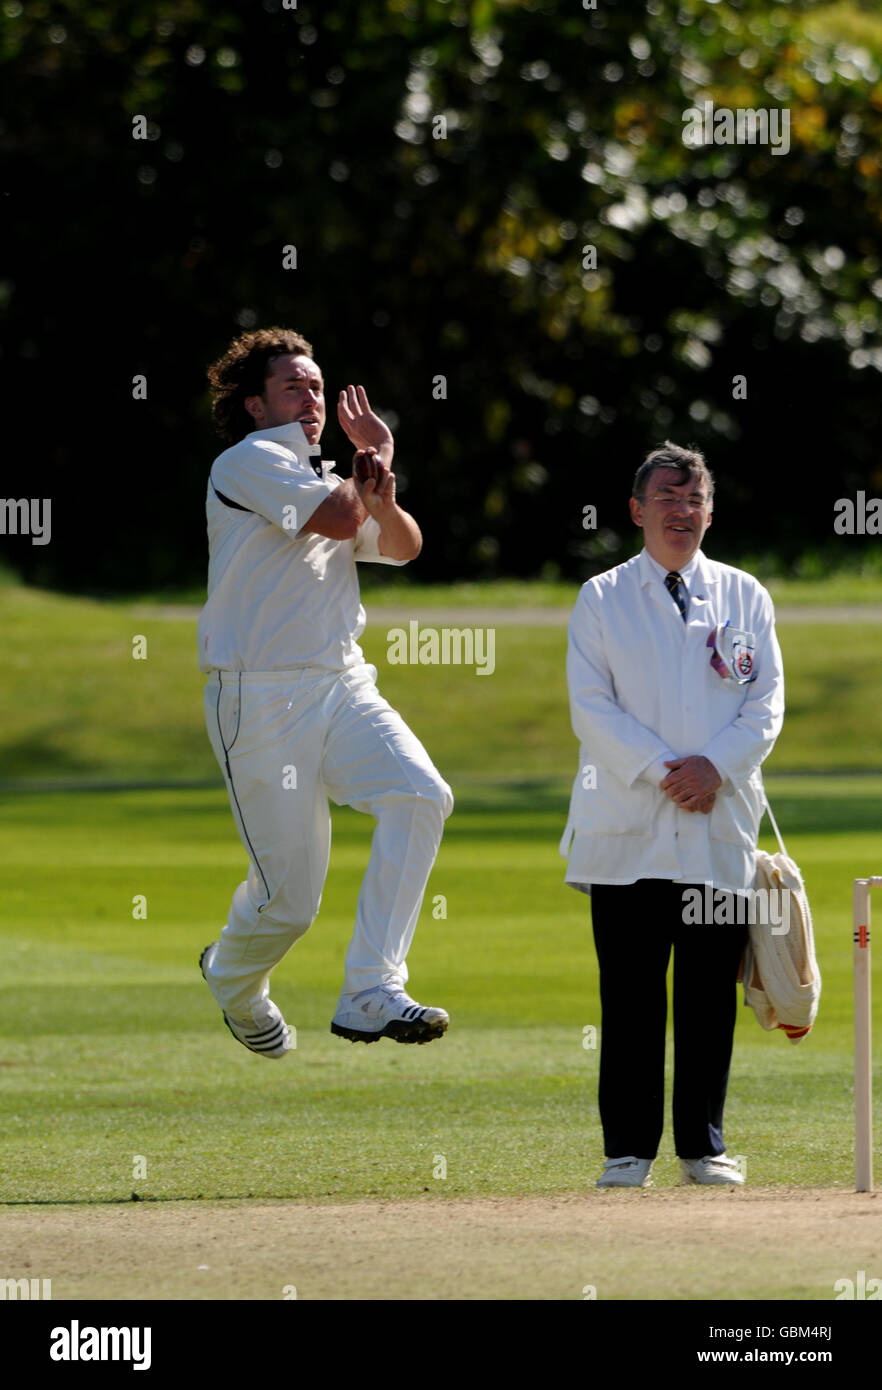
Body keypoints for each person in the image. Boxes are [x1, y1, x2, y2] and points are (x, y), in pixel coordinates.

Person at [197, 326, 453, 1057]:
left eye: (316, 385)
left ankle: (372, 987)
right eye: (292, 387)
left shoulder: (323, 472)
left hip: (341, 684)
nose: (311, 399)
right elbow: (342, 517)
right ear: (254, 405)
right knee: (289, 906)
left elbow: (401, 546)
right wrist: (372, 468)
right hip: (259, 699)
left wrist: (381, 480)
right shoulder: (250, 460)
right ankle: (233, 982)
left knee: (421, 794)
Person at [560, 442, 785, 1186]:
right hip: (626, 828)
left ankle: (703, 1146)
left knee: (706, 998)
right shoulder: (602, 597)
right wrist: (668, 771)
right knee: (628, 997)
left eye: (694, 501)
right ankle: (627, 1152)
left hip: (718, 826)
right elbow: (591, 709)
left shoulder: (745, 595)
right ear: (637, 511)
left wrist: (715, 767)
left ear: (710, 510)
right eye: (667, 499)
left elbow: (767, 703)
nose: (681, 512)